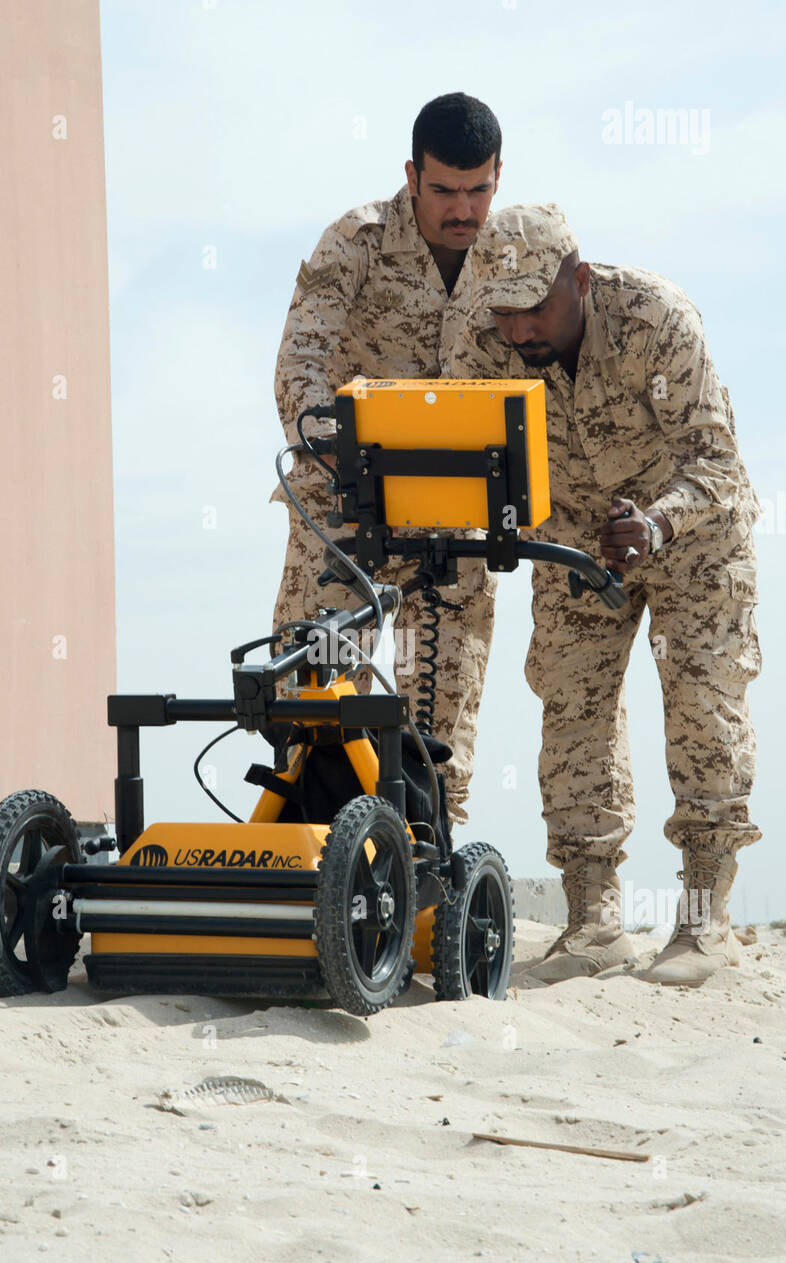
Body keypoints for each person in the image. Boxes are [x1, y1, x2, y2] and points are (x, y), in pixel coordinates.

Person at [445, 204, 762, 985]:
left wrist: (655, 524)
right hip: (575, 539)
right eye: (504, 311)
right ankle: (592, 924)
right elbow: (460, 443)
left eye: (535, 308)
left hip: (688, 531)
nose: (518, 330)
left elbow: (717, 465)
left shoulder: (655, 317)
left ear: (578, 281)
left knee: (702, 707)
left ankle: (701, 925)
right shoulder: (484, 339)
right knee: (571, 707)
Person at [271, 92, 502, 825]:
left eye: (478, 191)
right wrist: (334, 443)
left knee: (443, 700)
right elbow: (299, 360)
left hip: (456, 508)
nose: (461, 210)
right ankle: (306, 842)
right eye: (442, 191)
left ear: (498, 176)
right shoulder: (357, 241)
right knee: (312, 683)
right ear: (411, 174)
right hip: (347, 502)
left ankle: (428, 860)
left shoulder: (515, 256)